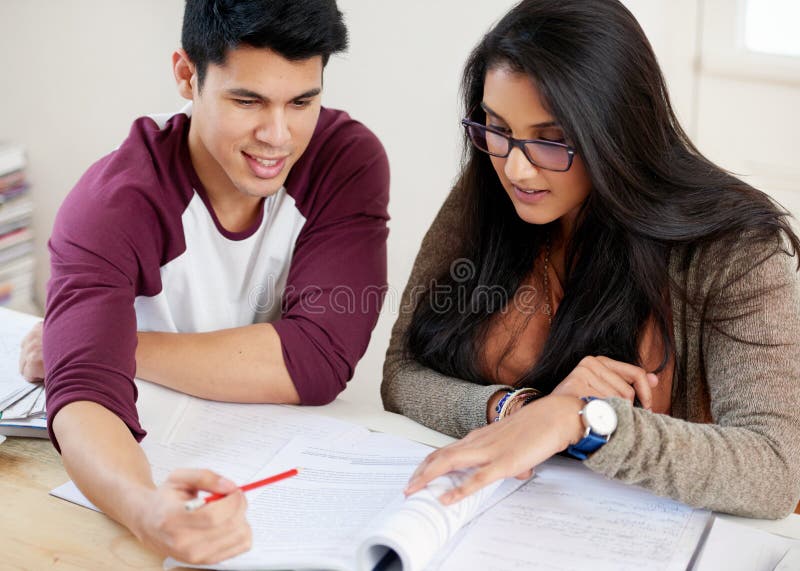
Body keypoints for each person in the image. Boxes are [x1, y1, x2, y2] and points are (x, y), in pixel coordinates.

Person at [382, 0, 800, 519]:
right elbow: (401, 374)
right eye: (496, 126)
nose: (516, 168)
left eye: (552, 140)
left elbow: (776, 471)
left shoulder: (735, 248)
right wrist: (517, 411)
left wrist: (584, 421)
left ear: (618, 132)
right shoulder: (486, 193)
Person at [20, 0, 389, 564]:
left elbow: (316, 360)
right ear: (187, 76)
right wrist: (145, 511)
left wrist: (114, 348)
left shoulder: (344, 161)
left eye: (302, 101)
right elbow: (85, 397)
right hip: (148, 459)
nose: (277, 135)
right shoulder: (113, 204)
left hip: (287, 471)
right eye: (248, 100)